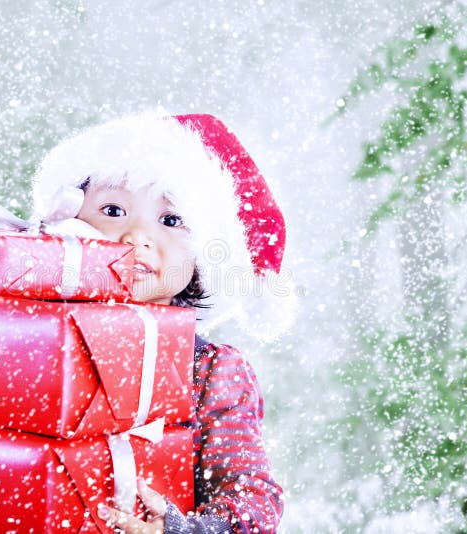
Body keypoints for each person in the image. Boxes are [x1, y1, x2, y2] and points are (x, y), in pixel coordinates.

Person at [32, 112, 291, 533]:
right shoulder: (29, 336)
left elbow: (253, 500)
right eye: (113, 210)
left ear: (202, 253)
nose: (135, 236)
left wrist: (178, 528)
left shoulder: (209, 371)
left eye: (170, 220)